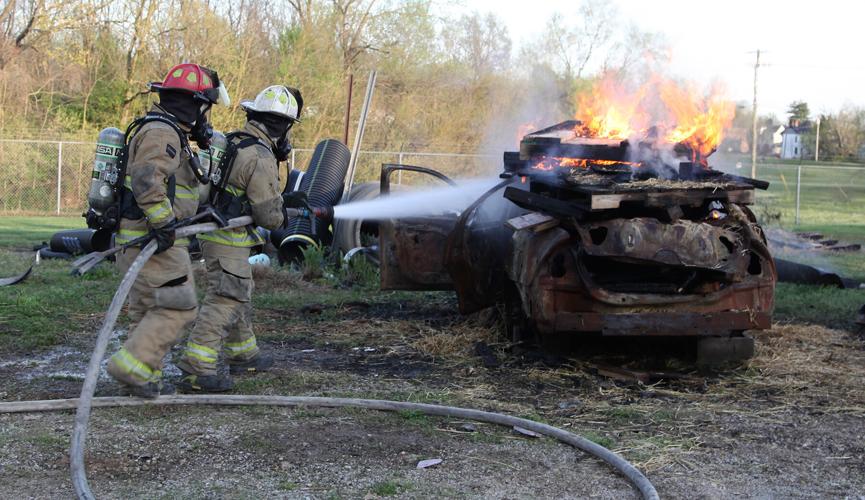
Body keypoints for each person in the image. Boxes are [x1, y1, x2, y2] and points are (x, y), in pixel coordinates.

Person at [106, 63, 230, 398]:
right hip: (156, 241)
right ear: (196, 104)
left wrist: (201, 208)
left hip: (141, 238)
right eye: (205, 108)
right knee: (180, 305)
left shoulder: (166, 130)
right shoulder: (163, 134)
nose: (206, 117)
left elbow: (181, 187)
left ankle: (143, 375)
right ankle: (131, 364)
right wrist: (164, 224)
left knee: (149, 308)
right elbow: (148, 179)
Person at [176, 84, 303, 392]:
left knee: (240, 291)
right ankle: (197, 367)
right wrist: (287, 210)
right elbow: (268, 217)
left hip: (215, 232)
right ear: (283, 126)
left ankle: (242, 352)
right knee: (227, 296)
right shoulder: (260, 155)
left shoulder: (233, 140)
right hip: (229, 238)